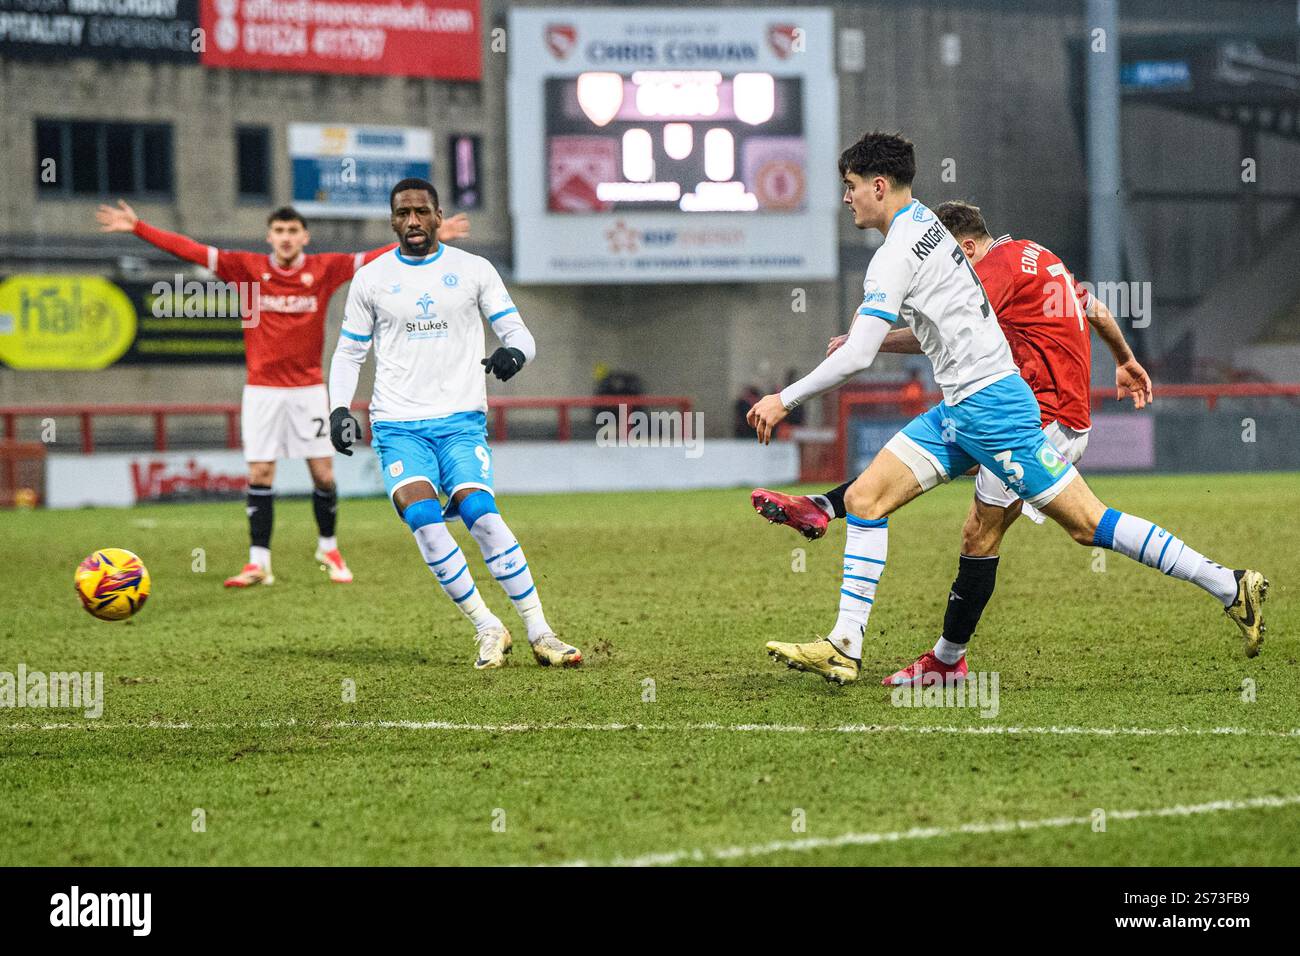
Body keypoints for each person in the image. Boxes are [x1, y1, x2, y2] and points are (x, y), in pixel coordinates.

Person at [747, 131, 1267, 687]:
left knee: (1088, 526)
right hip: (964, 407)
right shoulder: (928, 223)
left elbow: (859, 355)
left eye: (850, 187)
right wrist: (1121, 355)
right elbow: (958, 321)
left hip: (997, 411)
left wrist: (785, 398)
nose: (845, 198)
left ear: (878, 186)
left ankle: (1229, 585)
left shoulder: (900, 251)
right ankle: (845, 643)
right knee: (868, 498)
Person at [753, 199, 1158, 683]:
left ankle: (945, 659)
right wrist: (1124, 358)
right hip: (1024, 410)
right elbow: (1097, 309)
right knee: (916, 477)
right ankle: (829, 516)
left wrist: (872, 338)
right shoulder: (1035, 254)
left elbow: (934, 335)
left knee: (1021, 530)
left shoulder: (994, 270)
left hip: (1039, 421)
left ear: (965, 246)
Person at [97, 200, 469, 588]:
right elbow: (189, 249)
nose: (286, 238)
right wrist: (138, 227)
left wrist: (432, 237)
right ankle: (259, 562)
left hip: (308, 389)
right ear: (269, 237)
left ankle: (328, 547)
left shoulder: (324, 269)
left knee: (323, 474)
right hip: (261, 391)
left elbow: (376, 258)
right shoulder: (246, 268)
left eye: (293, 232)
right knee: (260, 472)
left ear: (304, 237)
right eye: (279, 231)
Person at [327, 178, 581, 670]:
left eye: (422, 212)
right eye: (403, 214)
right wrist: (339, 408)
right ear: (392, 220)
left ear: (439, 216)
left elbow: (519, 334)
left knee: (480, 513)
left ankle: (541, 631)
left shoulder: (474, 270)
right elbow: (349, 352)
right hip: (399, 425)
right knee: (422, 518)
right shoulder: (372, 279)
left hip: (461, 420)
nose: (413, 222)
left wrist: (514, 354)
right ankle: (488, 627)